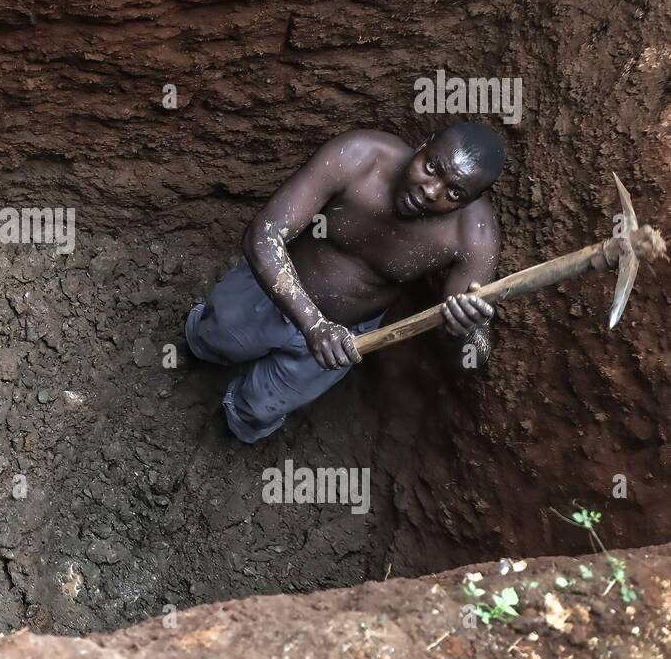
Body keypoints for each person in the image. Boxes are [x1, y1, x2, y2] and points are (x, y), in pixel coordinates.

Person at [186, 124, 504, 443]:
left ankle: (230, 431)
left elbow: (471, 359)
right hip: (271, 292)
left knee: (258, 410)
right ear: (424, 143)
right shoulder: (359, 156)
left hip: (342, 337)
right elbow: (264, 235)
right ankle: (200, 352)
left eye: (454, 193)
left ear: (472, 200)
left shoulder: (473, 236)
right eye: (432, 167)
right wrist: (313, 325)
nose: (431, 191)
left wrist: (464, 332)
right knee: (208, 340)